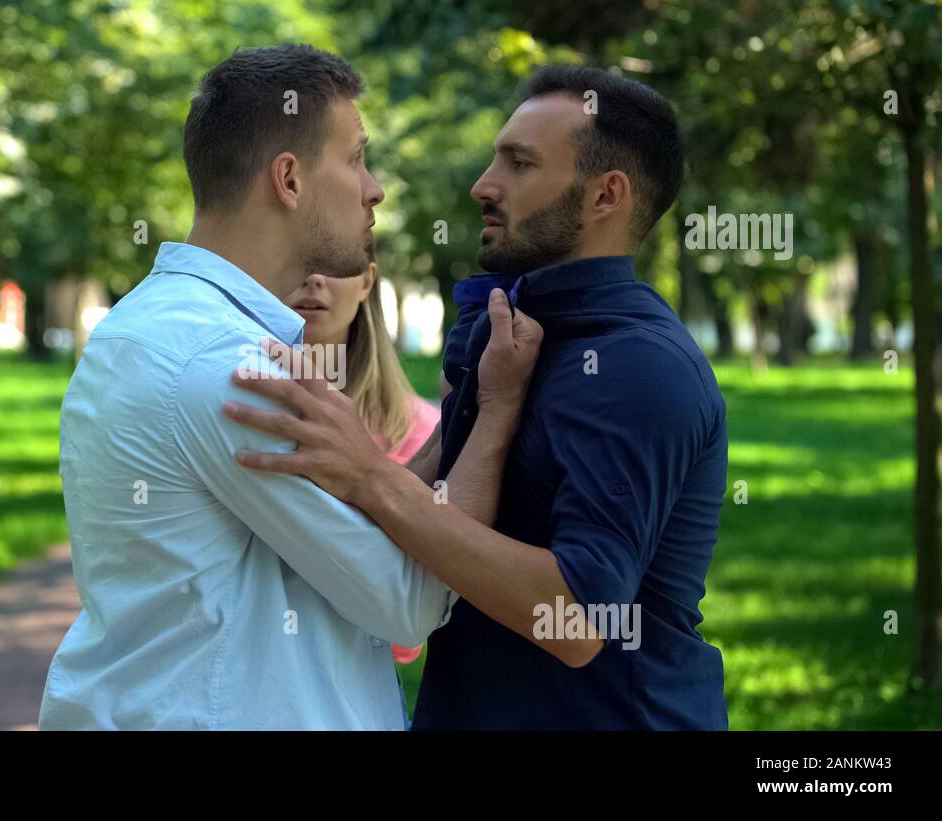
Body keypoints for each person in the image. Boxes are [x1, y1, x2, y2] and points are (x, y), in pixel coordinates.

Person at [38, 44, 540, 730]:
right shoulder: (225, 365)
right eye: (356, 158)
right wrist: (494, 412)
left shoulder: (158, 327)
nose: (374, 189)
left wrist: (444, 420)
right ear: (289, 179)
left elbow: (365, 525)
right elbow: (409, 600)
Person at [225, 65, 729, 730]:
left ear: (606, 195)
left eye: (519, 164)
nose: (483, 185)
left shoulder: (641, 365)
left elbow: (578, 619)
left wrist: (372, 475)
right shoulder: (501, 328)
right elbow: (437, 514)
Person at [283, 240, 438, 664]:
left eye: (333, 262)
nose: (314, 278)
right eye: (299, 256)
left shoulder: (419, 430)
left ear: (367, 280)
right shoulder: (231, 401)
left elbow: (406, 632)